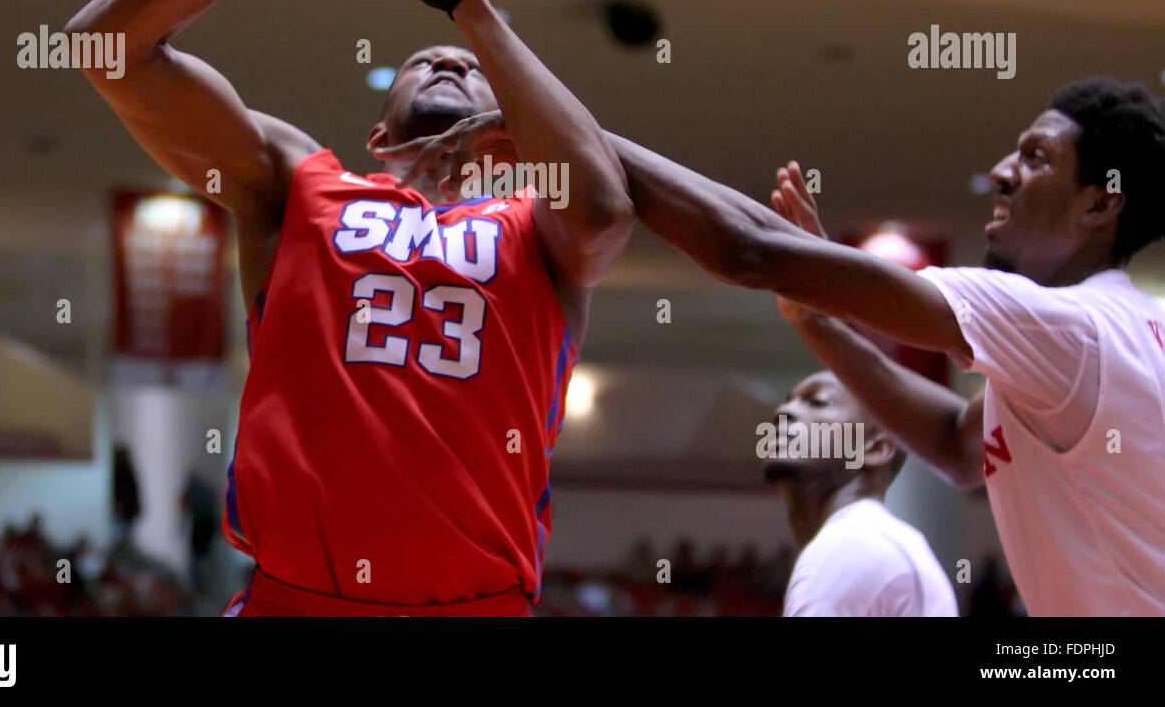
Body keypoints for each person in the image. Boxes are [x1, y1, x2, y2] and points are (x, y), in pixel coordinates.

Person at [64, 0, 633, 616]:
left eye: (468, 67)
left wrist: (467, 3)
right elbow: (105, 50)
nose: (445, 64)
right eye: (422, 62)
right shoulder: (299, 183)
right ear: (376, 134)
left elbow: (605, 212)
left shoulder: (540, 224)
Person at [392, 78, 1165, 615]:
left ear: (1101, 203)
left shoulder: (1068, 327)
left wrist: (560, 128)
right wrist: (822, 320)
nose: (1001, 172)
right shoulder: (1098, 340)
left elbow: (748, 249)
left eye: (1034, 158)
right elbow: (959, 445)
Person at [767, 371, 957, 616]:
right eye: (788, 400)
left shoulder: (848, 546)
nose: (783, 411)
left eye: (817, 402)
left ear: (875, 448)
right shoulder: (864, 540)